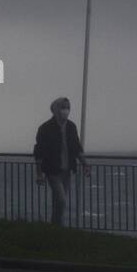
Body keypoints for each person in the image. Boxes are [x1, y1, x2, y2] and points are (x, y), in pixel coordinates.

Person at [33, 97, 90, 226]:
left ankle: (55, 228)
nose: (66, 110)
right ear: (55, 110)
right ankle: (59, 227)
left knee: (57, 202)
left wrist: (85, 164)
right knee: (62, 200)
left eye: (68, 107)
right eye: (63, 107)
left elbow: (76, 147)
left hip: (67, 170)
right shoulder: (45, 128)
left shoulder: (71, 127)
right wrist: (39, 173)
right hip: (53, 171)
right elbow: (39, 152)